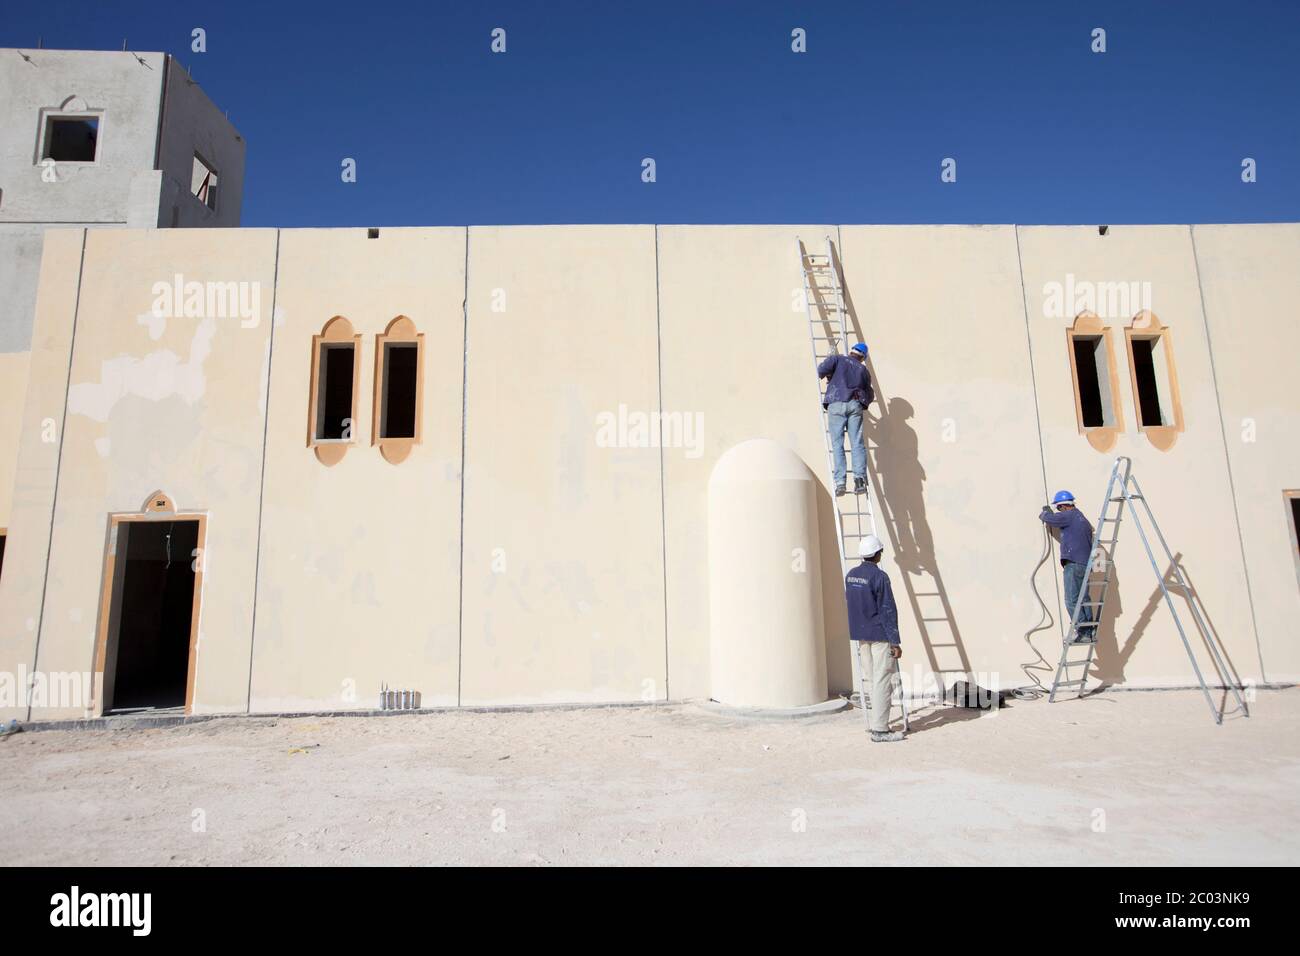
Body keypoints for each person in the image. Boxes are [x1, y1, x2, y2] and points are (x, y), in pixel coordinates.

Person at [846, 534, 905, 742]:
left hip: (861, 635)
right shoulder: (880, 577)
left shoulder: (851, 575)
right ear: (877, 554)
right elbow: (888, 609)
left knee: (872, 680)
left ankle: (875, 724)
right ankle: (880, 729)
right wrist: (895, 641)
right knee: (882, 681)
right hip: (879, 635)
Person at [1038, 490, 1098, 643]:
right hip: (1085, 564)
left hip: (1074, 563)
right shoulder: (1081, 517)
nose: (1059, 511)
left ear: (1064, 506)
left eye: (1059, 508)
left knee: (1071, 600)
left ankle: (1082, 631)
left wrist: (1045, 513)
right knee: (1082, 598)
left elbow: (1050, 519)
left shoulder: (1069, 515)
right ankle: (1089, 631)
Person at [817, 342, 873, 497]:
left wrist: (830, 365)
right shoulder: (863, 370)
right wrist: (863, 402)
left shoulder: (838, 359)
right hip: (855, 405)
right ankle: (860, 480)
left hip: (836, 403)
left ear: (851, 352)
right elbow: (870, 394)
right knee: (857, 443)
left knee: (837, 444)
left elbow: (820, 371)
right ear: (863, 357)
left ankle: (840, 483)